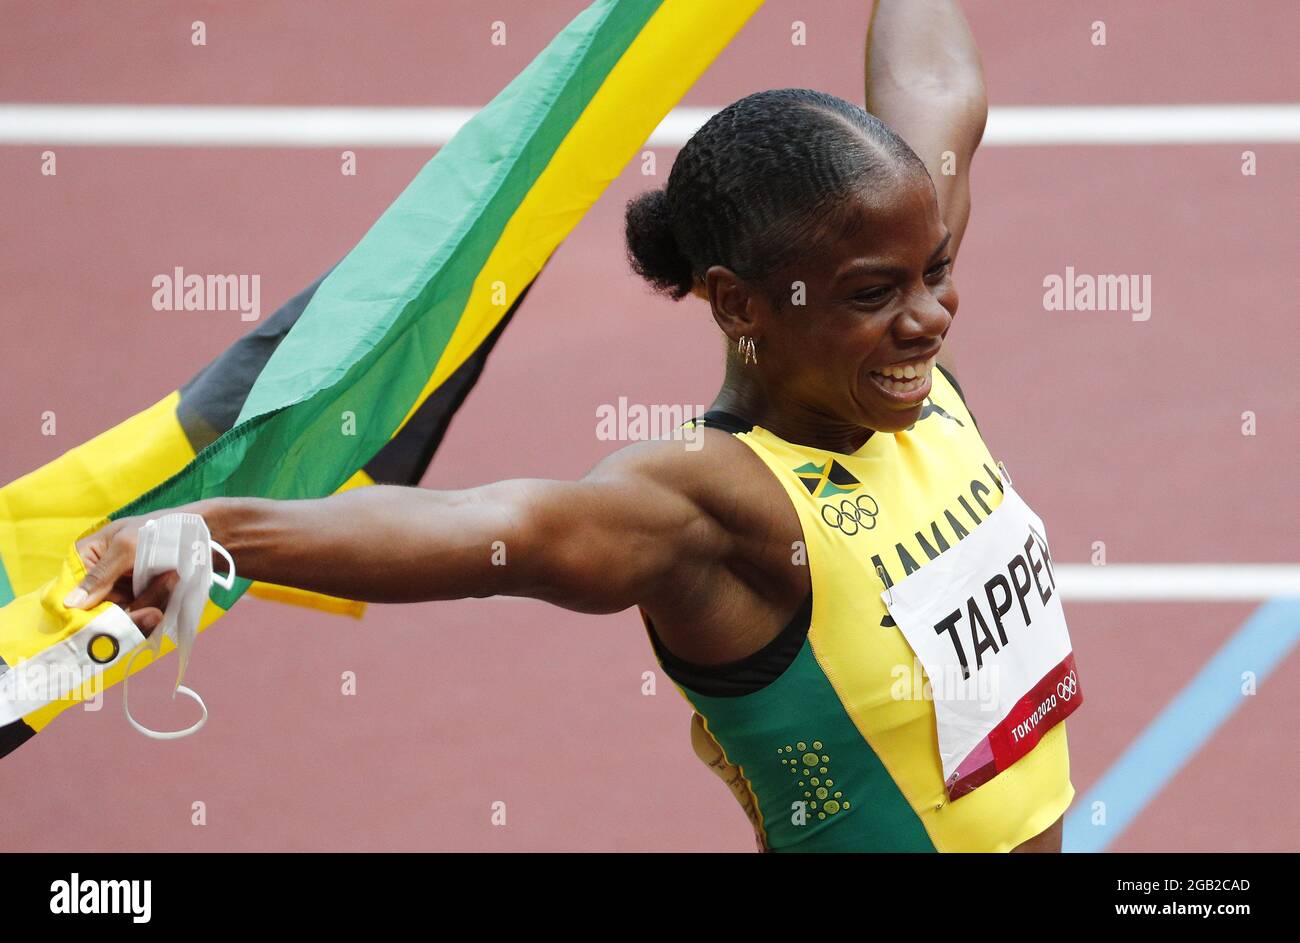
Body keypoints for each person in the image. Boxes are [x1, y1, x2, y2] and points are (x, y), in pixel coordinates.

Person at [67, 1, 1074, 852]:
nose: (931, 315)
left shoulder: (891, 302)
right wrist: (217, 532)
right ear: (738, 304)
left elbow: (940, 94)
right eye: (875, 291)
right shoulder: (713, 503)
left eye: (936, 269)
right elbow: (495, 529)